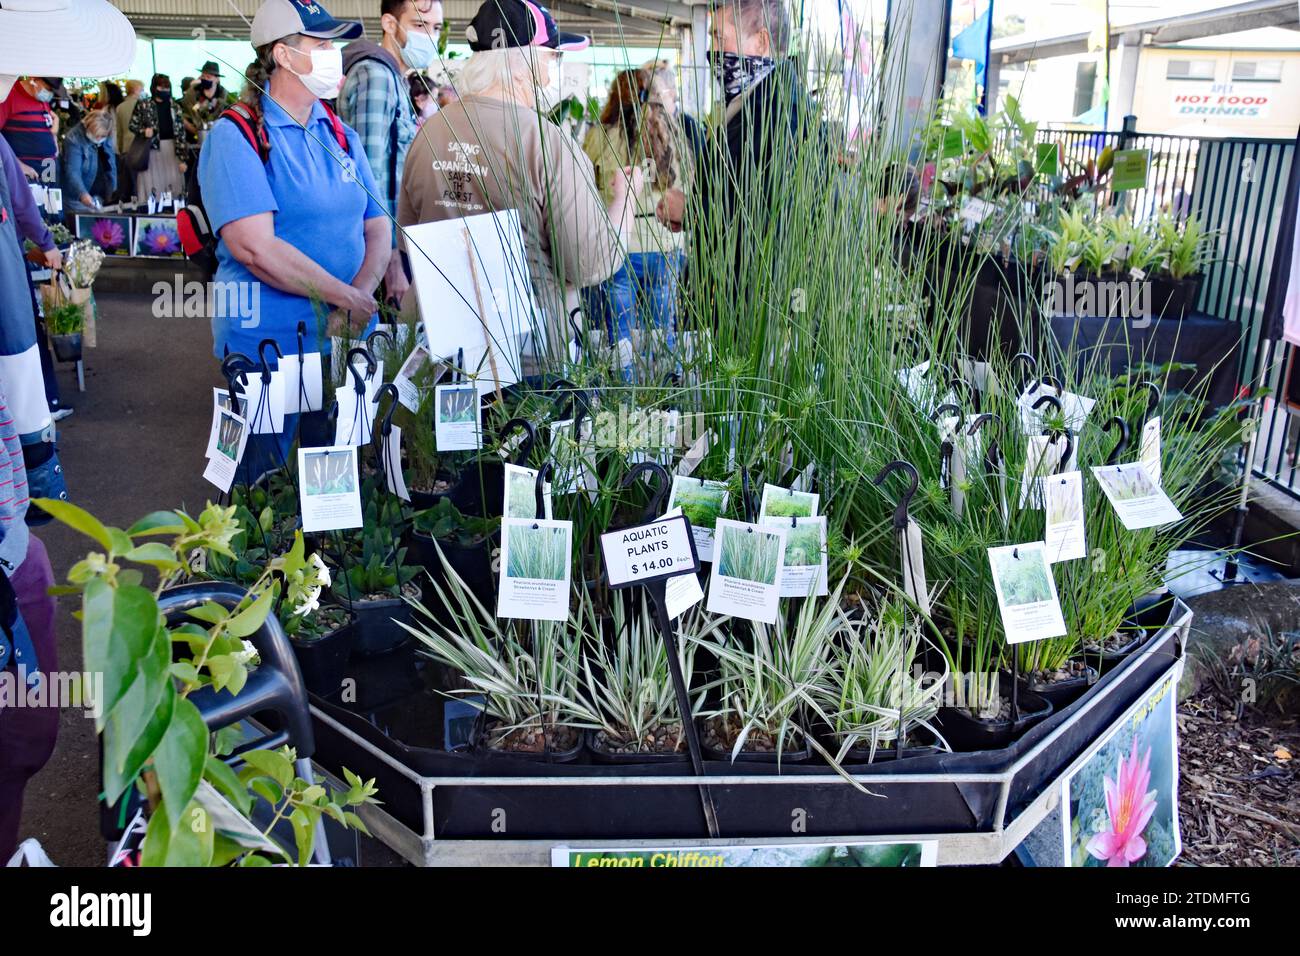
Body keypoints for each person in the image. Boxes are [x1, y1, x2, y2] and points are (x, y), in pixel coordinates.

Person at [398, 0, 638, 355]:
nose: (552, 69)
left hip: (433, 345)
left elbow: (408, 242)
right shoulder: (547, 142)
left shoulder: (429, 133)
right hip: (525, 356)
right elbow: (589, 262)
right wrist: (625, 201)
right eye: (551, 56)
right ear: (525, 61)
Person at [198, 0, 389, 365]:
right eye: (322, 45)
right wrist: (345, 298)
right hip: (270, 344)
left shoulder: (339, 133)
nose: (334, 55)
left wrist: (359, 300)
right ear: (284, 56)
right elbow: (255, 249)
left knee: (343, 424)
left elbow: (377, 224)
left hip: (346, 333)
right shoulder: (236, 136)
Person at [656, 0, 814, 236]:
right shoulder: (749, 101)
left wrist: (692, 212)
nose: (713, 52)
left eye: (720, 38)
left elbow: (770, 218)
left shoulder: (783, 116)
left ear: (762, 42)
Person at [339, 0, 444, 307]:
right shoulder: (377, 77)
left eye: (436, 28)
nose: (430, 37)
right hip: (381, 253)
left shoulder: (394, 78)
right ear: (389, 24)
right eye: (419, 25)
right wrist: (390, 262)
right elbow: (369, 177)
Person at [580, 66, 689, 356]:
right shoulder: (675, 135)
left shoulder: (600, 137)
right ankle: (666, 392)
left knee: (621, 336)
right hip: (665, 244)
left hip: (620, 245)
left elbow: (588, 186)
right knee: (662, 330)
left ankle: (624, 393)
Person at [130, 73, 191, 200]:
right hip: (151, 150)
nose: (164, 91)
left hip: (172, 149)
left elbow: (181, 134)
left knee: (174, 184)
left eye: (167, 88)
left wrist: (183, 158)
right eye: (161, 88)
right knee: (153, 185)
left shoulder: (175, 107)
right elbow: (132, 125)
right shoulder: (143, 104)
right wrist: (143, 131)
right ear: (154, 88)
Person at [0, 77, 62, 190]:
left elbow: (47, 126)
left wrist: (54, 138)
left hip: (49, 167)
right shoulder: (9, 95)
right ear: (34, 80)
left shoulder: (41, 98)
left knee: (52, 206)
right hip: (27, 173)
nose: (50, 94)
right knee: (32, 207)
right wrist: (18, 165)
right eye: (48, 89)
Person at [61, 109, 117, 214]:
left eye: (102, 136)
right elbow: (73, 171)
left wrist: (114, 190)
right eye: (95, 134)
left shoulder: (107, 135)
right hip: (79, 198)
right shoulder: (74, 138)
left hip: (102, 195)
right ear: (88, 126)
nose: (98, 138)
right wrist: (82, 194)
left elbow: (111, 164)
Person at [182, 60, 230, 129]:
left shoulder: (224, 94)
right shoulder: (192, 93)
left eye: (208, 77)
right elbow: (187, 114)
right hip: (196, 134)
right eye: (203, 76)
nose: (205, 79)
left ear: (217, 79)